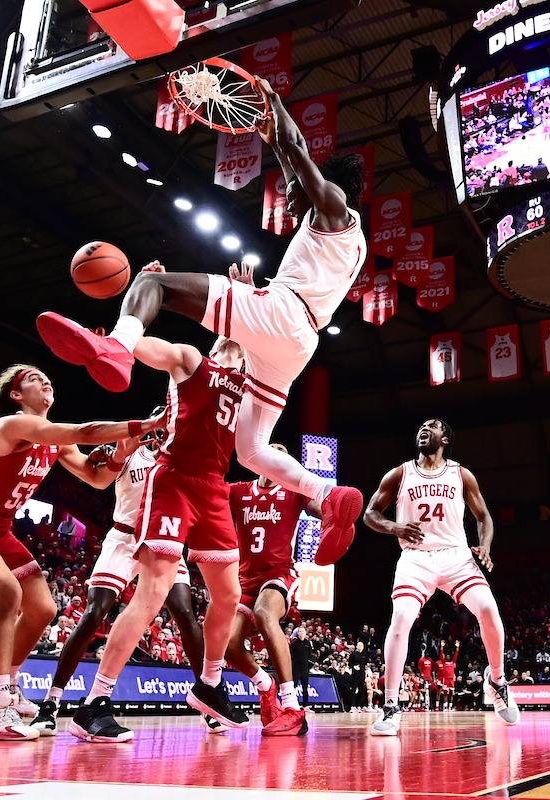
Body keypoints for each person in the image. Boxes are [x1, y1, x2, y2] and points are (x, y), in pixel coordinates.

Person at [36, 76, 365, 568]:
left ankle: (117, 347)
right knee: (251, 451)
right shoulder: (352, 245)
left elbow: (298, 153)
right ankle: (330, 496)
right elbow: (288, 154)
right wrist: (273, 136)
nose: (289, 197)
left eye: (298, 191)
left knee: (155, 287)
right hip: (298, 344)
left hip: (282, 312)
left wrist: (277, 107)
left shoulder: (335, 209)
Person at [0, 364, 164, 741]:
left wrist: (124, 449)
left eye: (47, 377)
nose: (44, 380)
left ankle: (4, 683)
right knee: (8, 593)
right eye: (32, 378)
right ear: (15, 395)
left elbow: (98, 478)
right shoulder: (12, 425)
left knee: (44, 607)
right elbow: (84, 431)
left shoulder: (55, 441)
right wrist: (144, 425)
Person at [69, 335, 250, 744]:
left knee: (228, 596)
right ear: (217, 342)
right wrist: (125, 327)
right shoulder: (191, 360)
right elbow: (140, 348)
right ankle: (94, 702)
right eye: (228, 338)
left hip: (214, 487)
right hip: (175, 481)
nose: (236, 343)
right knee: (152, 594)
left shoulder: (251, 383)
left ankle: (208, 684)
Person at [30, 418, 204, 736]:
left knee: (185, 613)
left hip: (165, 542)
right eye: (157, 426)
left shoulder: (181, 462)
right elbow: (107, 462)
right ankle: (50, 705)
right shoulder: (129, 450)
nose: (161, 433)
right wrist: (107, 450)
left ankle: (207, 696)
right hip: (124, 538)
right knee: (93, 614)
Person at [364, 419, 519, 736]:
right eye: (421, 426)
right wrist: (395, 528)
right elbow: (370, 513)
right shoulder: (400, 473)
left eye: (432, 426)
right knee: (401, 618)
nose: (424, 428)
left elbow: (483, 516)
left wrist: (485, 546)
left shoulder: (461, 474)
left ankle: (497, 680)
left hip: (456, 555)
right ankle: (391, 706)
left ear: (445, 438)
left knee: (488, 610)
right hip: (416, 557)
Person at [223, 445, 320, 735]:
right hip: (245, 580)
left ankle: (292, 707)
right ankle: (266, 686)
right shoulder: (238, 491)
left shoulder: (293, 491)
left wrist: (338, 513)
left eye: (281, 453)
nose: (273, 456)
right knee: (228, 646)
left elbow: (324, 510)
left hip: (280, 574)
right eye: (269, 451)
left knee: (265, 612)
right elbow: (206, 495)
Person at [289, 627, 312, 709]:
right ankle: (292, 704)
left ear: (305, 633)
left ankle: (305, 705)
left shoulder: (307, 643)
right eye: (299, 631)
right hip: (296, 669)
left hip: (305, 669)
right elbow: (291, 656)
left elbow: (310, 655)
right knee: (293, 687)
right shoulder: (294, 643)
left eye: (302, 631)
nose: (301, 633)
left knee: (305, 687)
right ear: (297, 633)